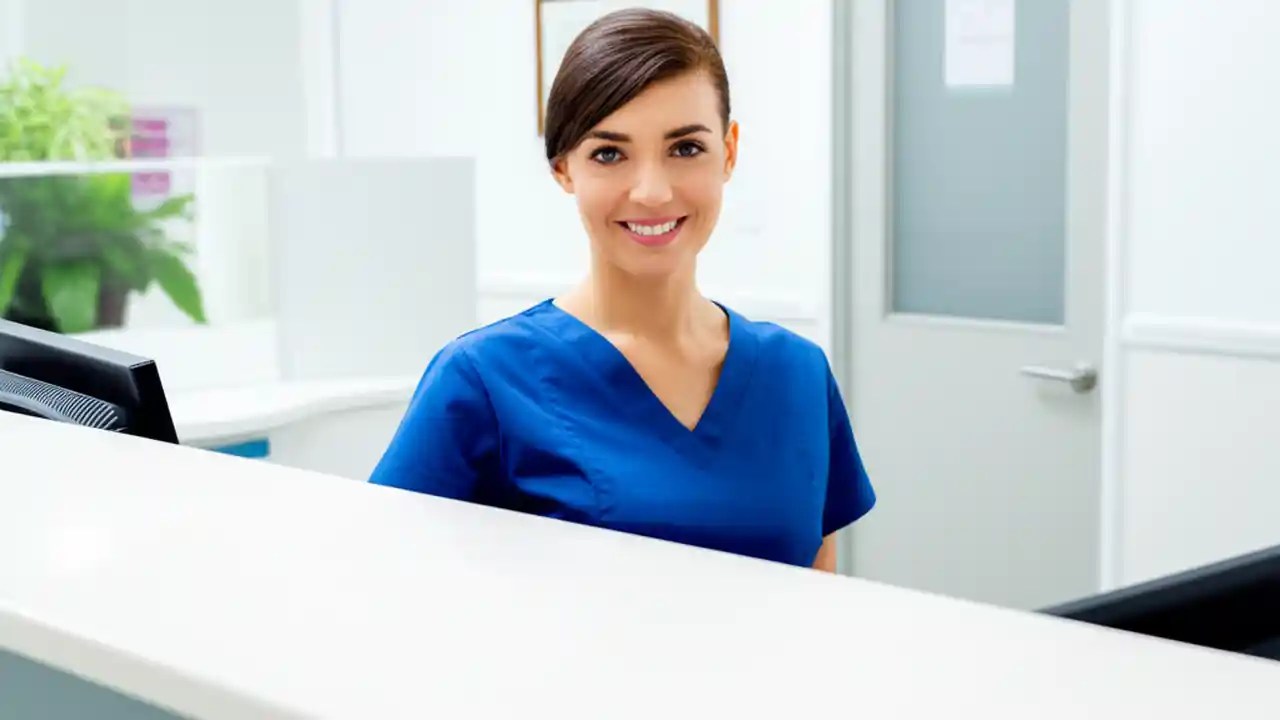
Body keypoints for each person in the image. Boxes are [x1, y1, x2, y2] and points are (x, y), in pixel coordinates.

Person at [370, 8, 874, 571]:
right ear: (564, 168)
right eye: (609, 153)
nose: (653, 192)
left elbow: (823, 600)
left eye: (685, 148)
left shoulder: (798, 375)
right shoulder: (484, 379)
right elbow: (386, 590)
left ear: (729, 152)